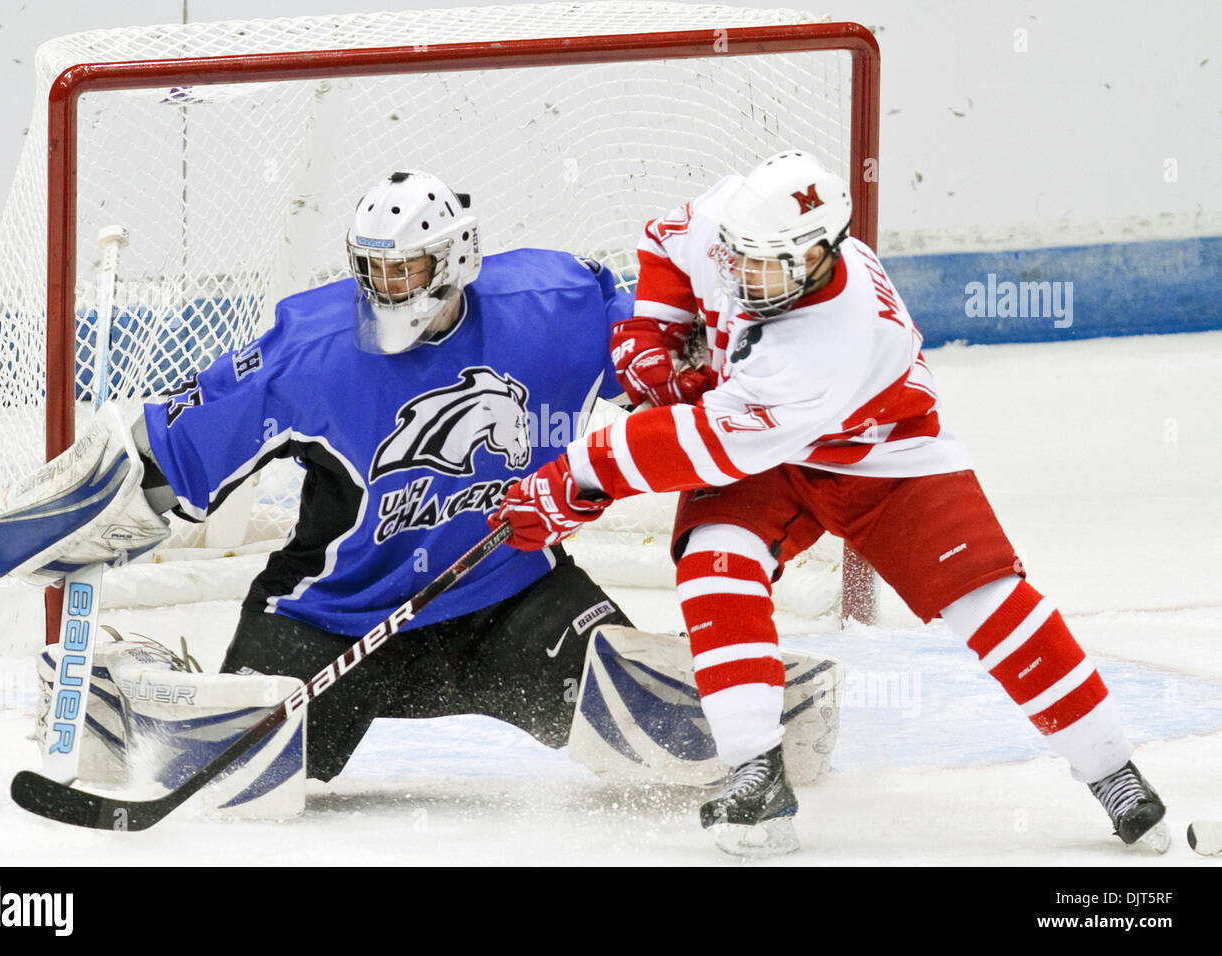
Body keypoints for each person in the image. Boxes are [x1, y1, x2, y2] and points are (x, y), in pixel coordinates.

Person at [490, 150, 1169, 854]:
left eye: (767, 266)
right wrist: (652, 334)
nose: (745, 277)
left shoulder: (826, 338)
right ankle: (757, 774)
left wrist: (575, 478)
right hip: (766, 446)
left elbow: (706, 444)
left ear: (821, 254)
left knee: (989, 602)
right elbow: (665, 238)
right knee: (716, 565)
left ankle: (1112, 769)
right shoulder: (736, 228)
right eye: (740, 259)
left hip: (881, 457)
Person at [0, 169, 637, 782]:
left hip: (512, 599)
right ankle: (135, 679)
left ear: (458, 258)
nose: (387, 288)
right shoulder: (312, 350)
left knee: (657, 725)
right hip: (334, 618)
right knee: (229, 769)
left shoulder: (556, 305)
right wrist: (92, 505)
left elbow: (661, 362)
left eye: (405, 268)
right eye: (372, 270)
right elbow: (187, 442)